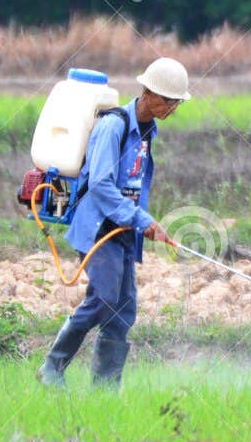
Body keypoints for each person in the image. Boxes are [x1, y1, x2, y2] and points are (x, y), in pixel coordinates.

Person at [36, 57, 189, 389]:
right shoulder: (113, 127)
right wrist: (140, 219)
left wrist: (141, 224)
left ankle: (105, 390)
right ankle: (52, 367)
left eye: (176, 102)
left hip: (122, 231)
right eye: (168, 100)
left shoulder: (148, 132)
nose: (172, 107)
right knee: (104, 299)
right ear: (148, 92)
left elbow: (134, 184)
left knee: (123, 312)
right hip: (98, 229)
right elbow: (102, 185)